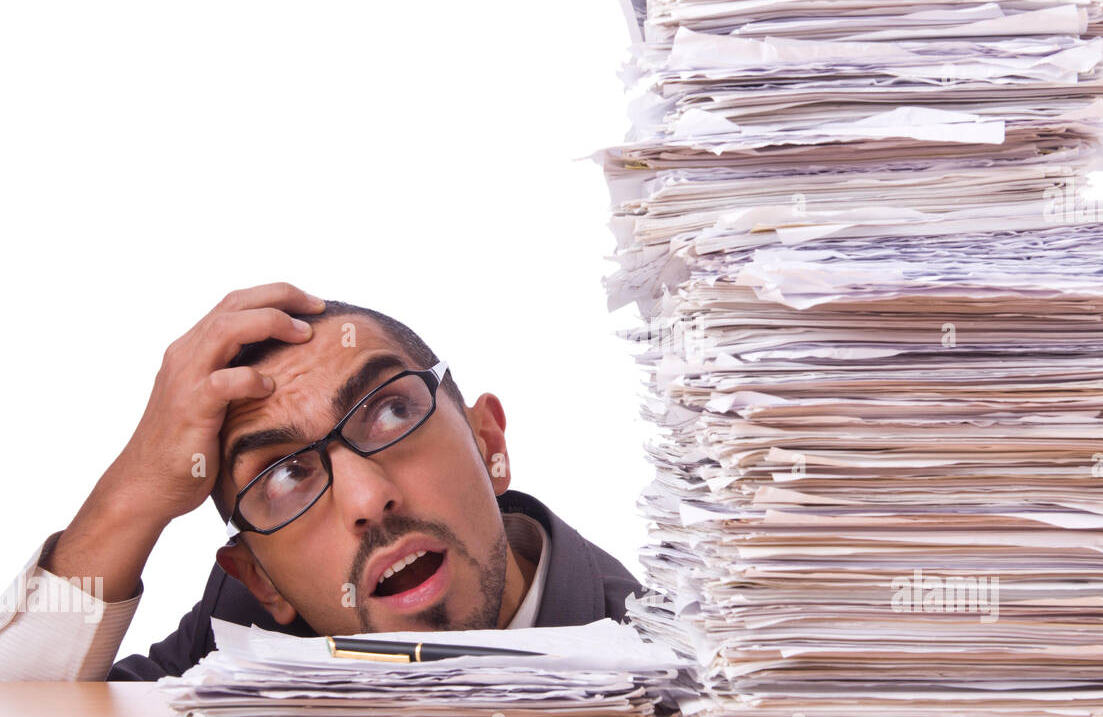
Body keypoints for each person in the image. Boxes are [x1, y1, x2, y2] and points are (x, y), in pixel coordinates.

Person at [0, 283, 644, 680]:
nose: (367, 498)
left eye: (391, 411)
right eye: (284, 475)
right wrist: (132, 492)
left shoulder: (665, 661)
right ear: (260, 581)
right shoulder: (246, 635)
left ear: (489, 444)